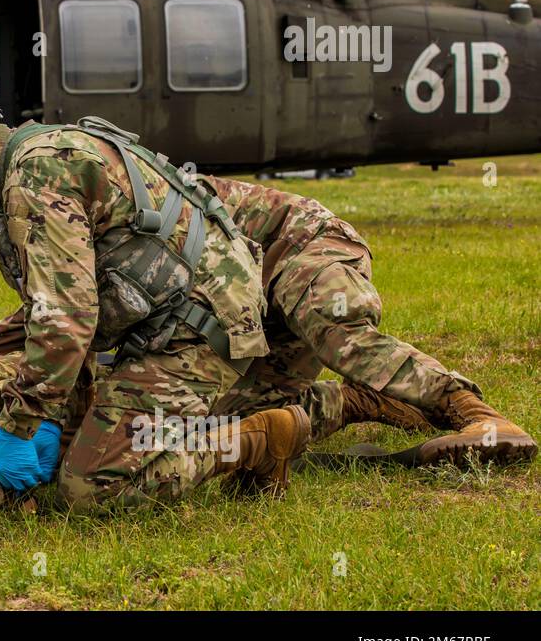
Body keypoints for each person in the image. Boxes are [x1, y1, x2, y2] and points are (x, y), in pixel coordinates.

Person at [0, 93, 313, 511]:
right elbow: (70, 302)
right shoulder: (29, 161)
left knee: (89, 489)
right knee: (76, 448)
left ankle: (256, 440)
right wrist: (54, 416)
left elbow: (67, 317)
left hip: (199, 329)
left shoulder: (35, 180)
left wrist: (22, 423)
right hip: (169, 317)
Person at [203, 175, 536, 464]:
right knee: (231, 427)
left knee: (340, 335)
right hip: (255, 293)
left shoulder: (163, 197)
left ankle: (473, 412)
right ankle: (359, 401)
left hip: (304, 246)